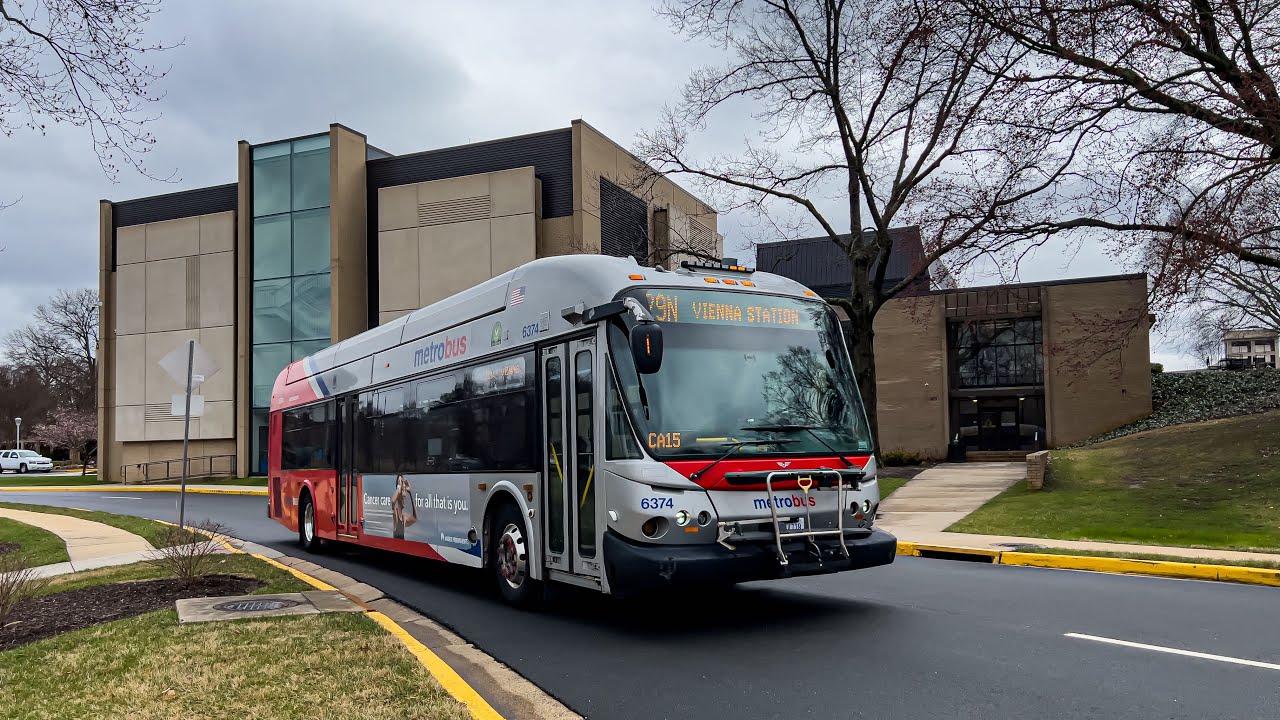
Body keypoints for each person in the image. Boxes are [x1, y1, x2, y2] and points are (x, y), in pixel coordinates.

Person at [391, 474, 418, 540]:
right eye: (402, 491)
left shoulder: (404, 517)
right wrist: (399, 487)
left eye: (405, 491)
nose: (404, 495)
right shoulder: (396, 513)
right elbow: (393, 501)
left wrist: (410, 493)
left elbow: (414, 518)